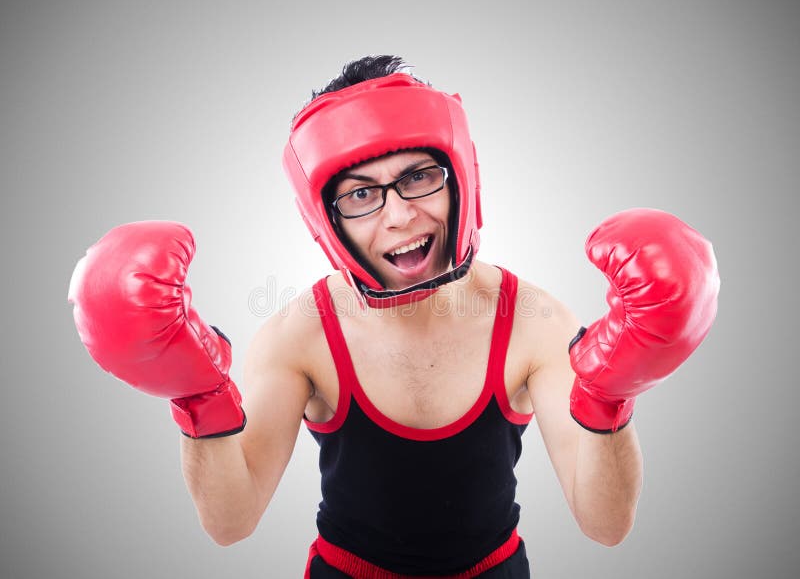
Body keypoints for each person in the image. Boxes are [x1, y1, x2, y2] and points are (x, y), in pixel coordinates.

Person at [68, 55, 720, 578]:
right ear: (328, 220)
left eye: (418, 177)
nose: (400, 215)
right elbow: (231, 523)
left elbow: (605, 527)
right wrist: (196, 395)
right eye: (361, 194)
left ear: (460, 177)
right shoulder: (301, 333)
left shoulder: (534, 320)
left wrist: (612, 391)